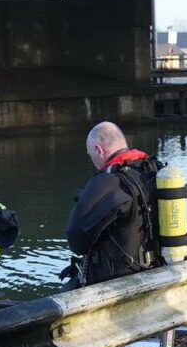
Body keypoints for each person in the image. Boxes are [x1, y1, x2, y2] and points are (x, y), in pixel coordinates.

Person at [65, 122, 163, 286]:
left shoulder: (108, 183)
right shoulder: (154, 169)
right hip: (159, 268)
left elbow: (76, 240)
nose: (93, 161)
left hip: (119, 281)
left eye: (91, 155)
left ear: (98, 150)